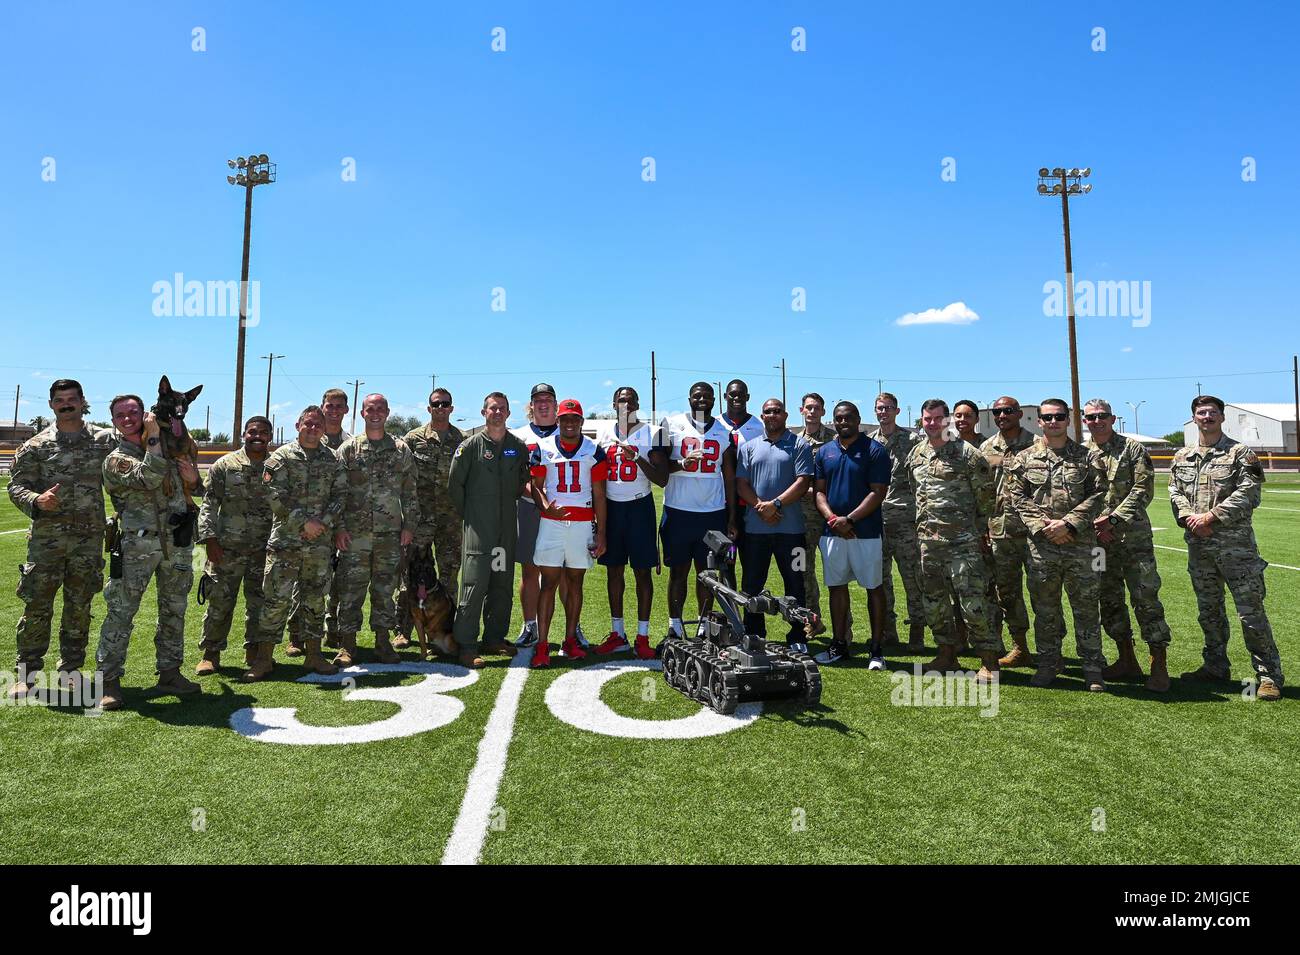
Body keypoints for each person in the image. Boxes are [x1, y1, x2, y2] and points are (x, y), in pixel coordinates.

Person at [7, 379, 116, 699]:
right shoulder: (36, 446)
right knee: (37, 606)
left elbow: (131, 466)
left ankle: (70, 670)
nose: (66, 404)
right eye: (60, 400)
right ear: (51, 404)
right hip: (47, 540)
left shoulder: (104, 440)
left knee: (79, 607)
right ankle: (26, 674)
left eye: (72, 399)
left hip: (87, 539)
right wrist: (36, 500)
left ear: (83, 401)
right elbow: (16, 487)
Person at [1170, 395, 1283, 700]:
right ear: (1194, 418)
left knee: (1251, 614)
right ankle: (1215, 666)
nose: (1206, 417)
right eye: (1201, 412)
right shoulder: (1182, 457)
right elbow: (1174, 492)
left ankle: (1267, 676)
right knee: (1209, 612)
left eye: (1212, 413)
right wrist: (1188, 517)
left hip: (1237, 550)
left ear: (1222, 417)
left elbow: (1249, 494)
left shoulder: (1239, 454)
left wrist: (1211, 517)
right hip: (1199, 547)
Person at [95, 396, 203, 710]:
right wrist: (154, 436)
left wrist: (193, 480)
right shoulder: (117, 458)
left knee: (174, 610)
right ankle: (109, 680)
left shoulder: (167, 448)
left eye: (133, 412)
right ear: (113, 420)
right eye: (120, 414)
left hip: (177, 542)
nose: (127, 418)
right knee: (121, 612)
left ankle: (170, 672)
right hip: (136, 545)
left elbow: (192, 488)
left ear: (144, 414)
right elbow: (149, 476)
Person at [1006, 399, 1109, 691]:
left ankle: (1092, 669)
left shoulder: (1088, 457)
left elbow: (1099, 494)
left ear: (1069, 419)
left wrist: (1069, 524)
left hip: (1081, 544)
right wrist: (1046, 527)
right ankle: (1049, 664)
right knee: (1045, 609)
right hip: (1042, 546)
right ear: (1039, 421)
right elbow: (1018, 498)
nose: (1054, 422)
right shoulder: (1024, 458)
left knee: (1087, 608)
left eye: (1059, 417)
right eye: (1048, 418)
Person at [246, 405, 346, 680]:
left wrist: (321, 523)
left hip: (319, 544)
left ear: (324, 429)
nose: (313, 429)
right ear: (298, 425)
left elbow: (340, 495)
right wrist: (304, 522)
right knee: (275, 600)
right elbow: (274, 495)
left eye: (318, 425)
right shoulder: (281, 458)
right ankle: (264, 659)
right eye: (308, 424)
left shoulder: (333, 459)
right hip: (286, 543)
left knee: (315, 599)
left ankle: (313, 655)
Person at [907, 399, 1001, 681]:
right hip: (928, 545)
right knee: (934, 603)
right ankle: (946, 655)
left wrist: (977, 531)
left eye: (938, 418)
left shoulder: (967, 454)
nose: (932, 423)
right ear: (922, 421)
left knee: (973, 604)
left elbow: (987, 497)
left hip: (963, 544)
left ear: (947, 421)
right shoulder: (917, 454)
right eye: (927, 419)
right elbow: (916, 493)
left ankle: (989, 662)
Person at [1084, 398, 1172, 692]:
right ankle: (1126, 659)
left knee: (1145, 597)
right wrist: (1098, 524)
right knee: (1107, 598)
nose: (1097, 421)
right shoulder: (1081, 453)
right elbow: (1077, 494)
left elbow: (1143, 489)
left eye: (1102, 416)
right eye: (1091, 417)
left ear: (1112, 418)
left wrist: (1114, 520)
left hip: (1133, 539)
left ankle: (1158, 664)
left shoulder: (1132, 448)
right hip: (1097, 543)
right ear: (1084, 421)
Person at [650, 382, 737, 646]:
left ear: (714, 400)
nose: (702, 400)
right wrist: (682, 464)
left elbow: (730, 477)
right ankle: (675, 625)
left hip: (712, 513)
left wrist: (732, 517)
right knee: (678, 572)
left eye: (707, 396)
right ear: (689, 398)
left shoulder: (725, 431)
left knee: (708, 574)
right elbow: (660, 469)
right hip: (678, 511)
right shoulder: (671, 424)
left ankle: (703, 625)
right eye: (697, 396)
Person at [334, 393, 419, 665]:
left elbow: (410, 492)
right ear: (362, 413)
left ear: (387, 412)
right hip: (355, 536)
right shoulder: (349, 449)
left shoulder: (400, 449)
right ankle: (348, 645)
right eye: (370, 409)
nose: (375, 413)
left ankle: (383, 642)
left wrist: (409, 526)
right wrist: (339, 528)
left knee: (385, 590)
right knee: (351, 589)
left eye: (380, 409)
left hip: (390, 534)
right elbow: (336, 493)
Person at [448, 392, 529, 668]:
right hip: (478, 532)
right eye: (493, 408)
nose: (497, 413)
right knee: (473, 583)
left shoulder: (517, 447)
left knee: (501, 583)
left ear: (508, 413)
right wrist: (471, 516)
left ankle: (494, 637)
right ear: (484, 413)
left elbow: (521, 483)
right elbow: (455, 485)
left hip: (505, 532)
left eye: (502, 409)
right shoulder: (469, 446)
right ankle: (467, 644)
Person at [528, 399, 608, 667]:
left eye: (574, 419)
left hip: (583, 523)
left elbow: (599, 493)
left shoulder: (594, 450)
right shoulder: (543, 447)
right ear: (558, 421)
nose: (570, 423)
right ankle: (542, 645)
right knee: (548, 583)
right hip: (552, 523)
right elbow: (536, 485)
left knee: (575, 582)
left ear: (582, 421)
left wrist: (602, 534)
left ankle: (570, 640)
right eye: (565, 419)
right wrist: (545, 504)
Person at [811, 402, 891, 666]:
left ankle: (877, 648)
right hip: (832, 532)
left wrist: (850, 519)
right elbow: (819, 491)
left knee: (873, 587)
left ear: (858, 419)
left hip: (864, 532)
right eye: (838, 418)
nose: (843, 422)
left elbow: (878, 491)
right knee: (836, 587)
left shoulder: (875, 450)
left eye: (848, 417)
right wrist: (833, 519)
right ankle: (839, 644)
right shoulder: (825, 452)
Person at [195, 416, 274, 676]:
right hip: (227, 548)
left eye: (263, 432)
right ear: (243, 434)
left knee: (259, 603)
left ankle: (254, 650)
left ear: (270, 437)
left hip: (264, 549)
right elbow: (209, 504)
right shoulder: (225, 465)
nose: (257, 436)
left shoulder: (276, 467)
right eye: (253, 431)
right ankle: (211, 653)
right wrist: (209, 540)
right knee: (220, 601)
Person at [735, 399, 815, 651]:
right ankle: (754, 634)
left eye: (777, 411)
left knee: (796, 583)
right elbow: (741, 483)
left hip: (792, 532)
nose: (772, 415)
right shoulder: (749, 447)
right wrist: (761, 506)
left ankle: (798, 636)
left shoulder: (799, 445)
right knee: (751, 585)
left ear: (785, 415)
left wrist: (776, 505)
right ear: (762, 415)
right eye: (768, 412)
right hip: (755, 532)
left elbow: (803, 482)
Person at [592, 386, 665, 659]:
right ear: (614, 404)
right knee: (614, 570)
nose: (625, 404)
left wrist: (638, 458)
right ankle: (618, 633)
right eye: (621, 400)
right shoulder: (603, 432)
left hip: (639, 505)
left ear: (637, 404)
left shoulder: (652, 433)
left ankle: (643, 636)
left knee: (643, 572)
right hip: (611, 506)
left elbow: (662, 478)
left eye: (630, 400)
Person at [398, 387, 465, 648]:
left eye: (445, 404)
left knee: (449, 576)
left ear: (451, 408)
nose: (440, 408)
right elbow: (402, 477)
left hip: (450, 519)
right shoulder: (413, 439)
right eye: (436, 404)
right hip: (420, 519)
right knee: (411, 575)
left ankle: (445, 631)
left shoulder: (461, 440)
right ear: (429, 408)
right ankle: (403, 630)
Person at [290, 386, 351, 655]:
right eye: (330, 406)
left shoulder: (351, 443)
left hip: (340, 525)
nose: (334, 411)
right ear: (322, 407)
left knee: (337, 581)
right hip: (304, 528)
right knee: (300, 582)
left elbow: (344, 492)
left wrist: (334, 525)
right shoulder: (311, 438)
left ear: (347, 411)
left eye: (339, 407)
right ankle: (296, 635)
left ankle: (333, 631)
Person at [979, 396, 1037, 668]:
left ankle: (1052, 652)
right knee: (1007, 593)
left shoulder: (1038, 444)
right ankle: (1020, 647)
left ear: (1019, 414)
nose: (1002, 415)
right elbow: (982, 491)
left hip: (1036, 533)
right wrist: (983, 526)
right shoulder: (987, 447)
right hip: (1001, 532)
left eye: (1008, 411)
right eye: (997, 412)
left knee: (1043, 594)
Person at [867, 392, 924, 652]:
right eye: (880, 408)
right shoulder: (869, 443)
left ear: (897, 411)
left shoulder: (913, 440)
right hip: (876, 520)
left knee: (913, 578)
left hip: (904, 520)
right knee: (880, 580)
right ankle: (888, 632)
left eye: (888, 408)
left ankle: (917, 631)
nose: (883, 412)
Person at [511, 383, 563, 648]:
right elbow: (513, 476)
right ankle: (529, 625)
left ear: (556, 404)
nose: (543, 404)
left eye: (548, 399)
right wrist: (538, 497)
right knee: (530, 571)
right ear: (530, 406)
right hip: (529, 506)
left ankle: (572, 629)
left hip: (563, 510)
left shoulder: (569, 431)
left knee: (565, 571)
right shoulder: (518, 436)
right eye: (538, 400)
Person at [797, 392, 836, 633]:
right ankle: (813, 621)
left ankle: (844, 628)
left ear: (823, 412)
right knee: (803, 571)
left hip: (831, 515)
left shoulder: (834, 440)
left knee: (837, 573)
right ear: (802, 410)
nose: (812, 411)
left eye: (817, 408)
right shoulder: (795, 441)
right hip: (802, 519)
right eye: (808, 407)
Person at [720, 378, 764, 561]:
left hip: (747, 503)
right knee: (726, 558)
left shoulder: (758, 427)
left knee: (749, 556)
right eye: (732, 394)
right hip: (721, 501)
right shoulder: (716, 424)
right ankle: (727, 589)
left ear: (748, 397)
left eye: (741, 394)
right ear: (725, 396)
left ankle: (748, 591)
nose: (736, 398)